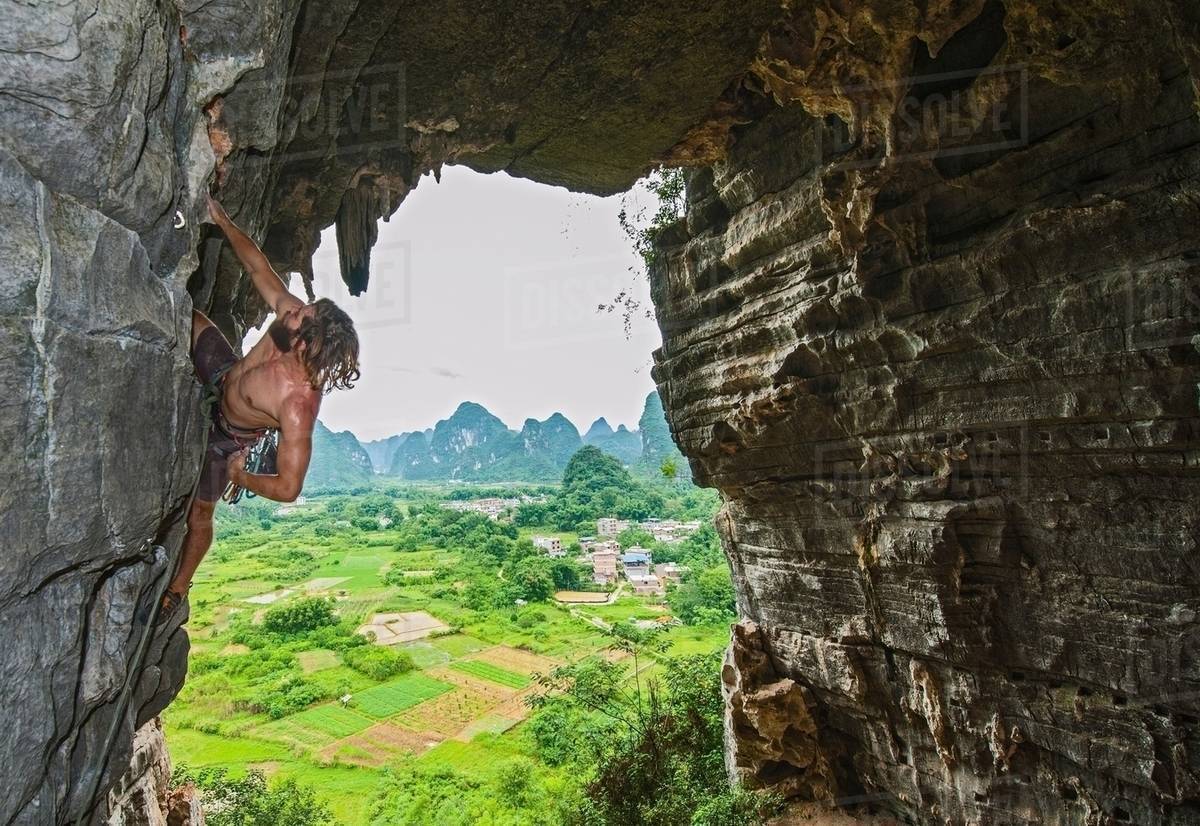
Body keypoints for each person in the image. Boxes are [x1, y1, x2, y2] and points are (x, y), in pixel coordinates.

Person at [156, 194, 360, 625]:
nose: (295, 306)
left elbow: (289, 488)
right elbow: (257, 267)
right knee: (185, 316)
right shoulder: (290, 319)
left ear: (306, 343)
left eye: (303, 313)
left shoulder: (298, 406)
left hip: (227, 435)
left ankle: (178, 586)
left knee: (200, 515)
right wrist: (222, 218)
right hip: (223, 376)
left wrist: (240, 475)